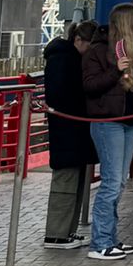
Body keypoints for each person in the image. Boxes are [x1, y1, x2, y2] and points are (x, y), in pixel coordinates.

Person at [82, 0, 133, 261]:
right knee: (111, 182)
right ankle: (99, 243)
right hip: (107, 121)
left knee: (119, 182)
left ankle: (110, 238)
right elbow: (89, 86)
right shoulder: (97, 52)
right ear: (126, 23)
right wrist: (114, 71)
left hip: (131, 118)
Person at [42, 19, 97, 248]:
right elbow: (60, 95)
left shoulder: (66, 58)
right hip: (67, 128)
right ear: (78, 39)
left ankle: (67, 231)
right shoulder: (63, 60)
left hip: (72, 128)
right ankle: (57, 234)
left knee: (74, 179)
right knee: (65, 181)